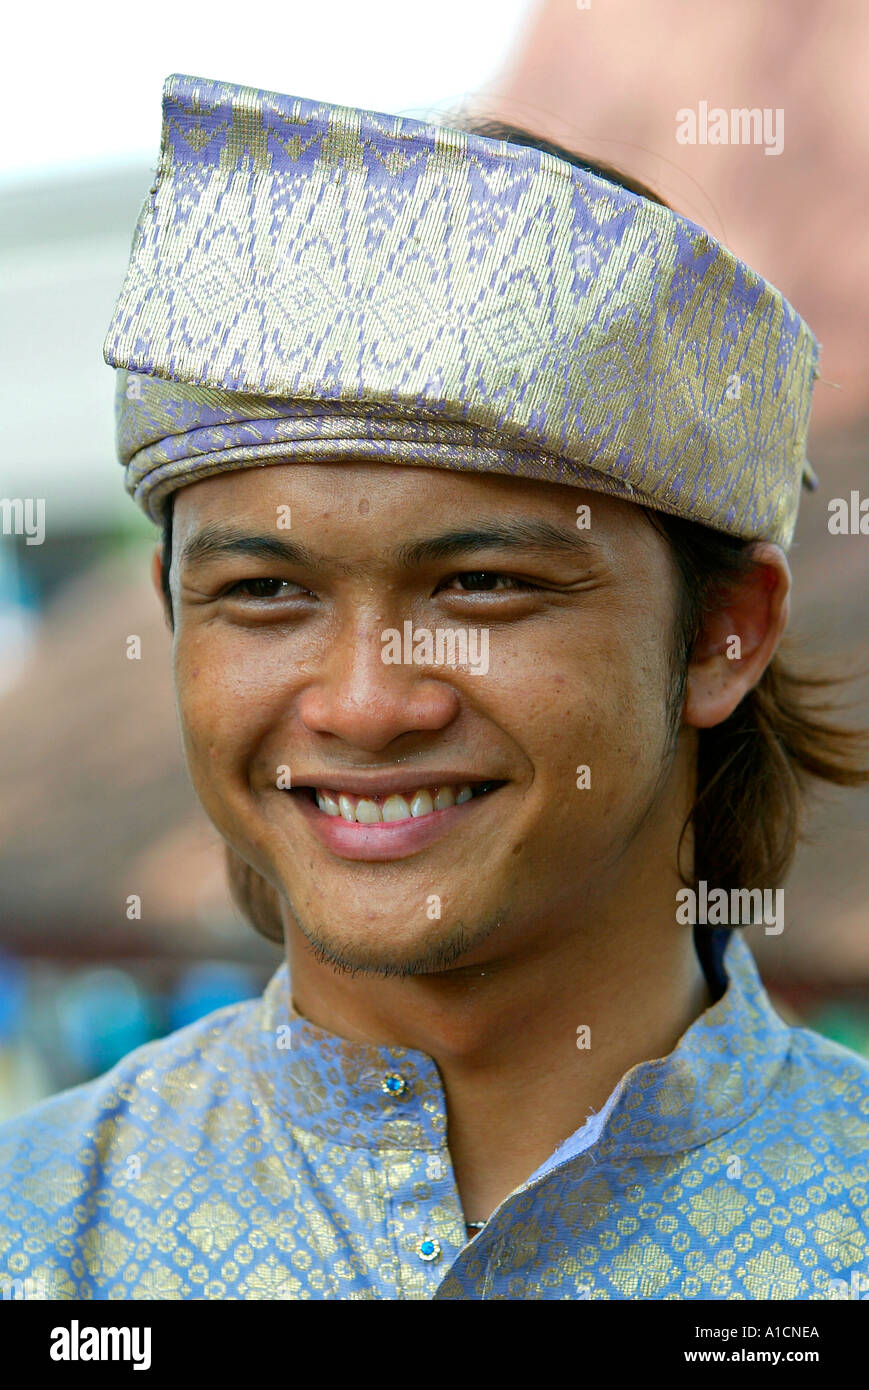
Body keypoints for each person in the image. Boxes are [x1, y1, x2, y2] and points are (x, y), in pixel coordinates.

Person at [1, 72, 868, 1302]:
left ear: (722, 633)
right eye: (264, 591)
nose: (362, 705)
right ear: (173, 615)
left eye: (480, 585)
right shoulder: (35, 1237)